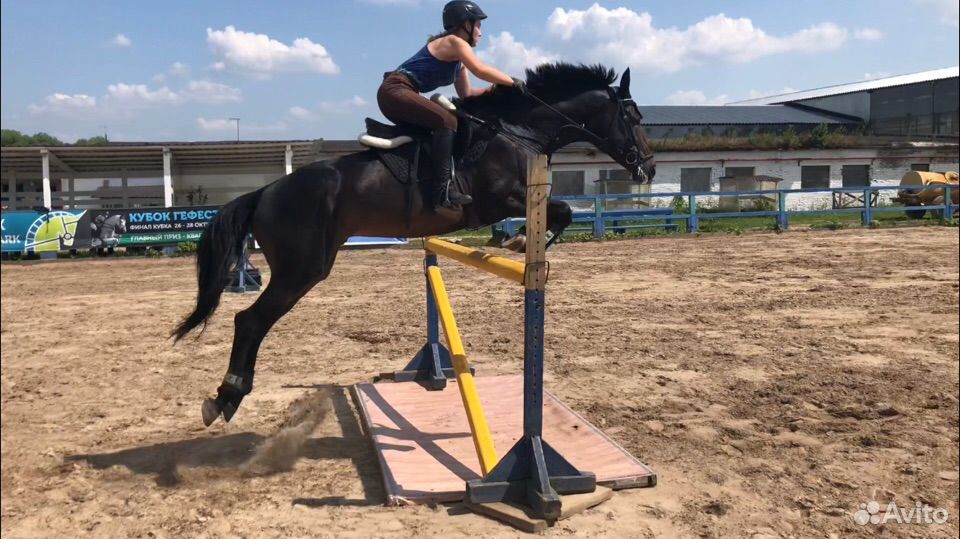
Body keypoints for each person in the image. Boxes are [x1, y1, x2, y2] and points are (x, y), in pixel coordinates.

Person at [377, 0, 526, 209]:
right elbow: (480, 70)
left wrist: (495, 89)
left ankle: (426, 179)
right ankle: (441, 192)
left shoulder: (457, 62)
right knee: (447, 121)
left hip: (399, 95)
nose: (480, 32)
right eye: (478, 25)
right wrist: (511, 81)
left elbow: (467, 94)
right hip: (395, 90)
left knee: (450, 124)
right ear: (465, 24)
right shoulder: (454, 42)